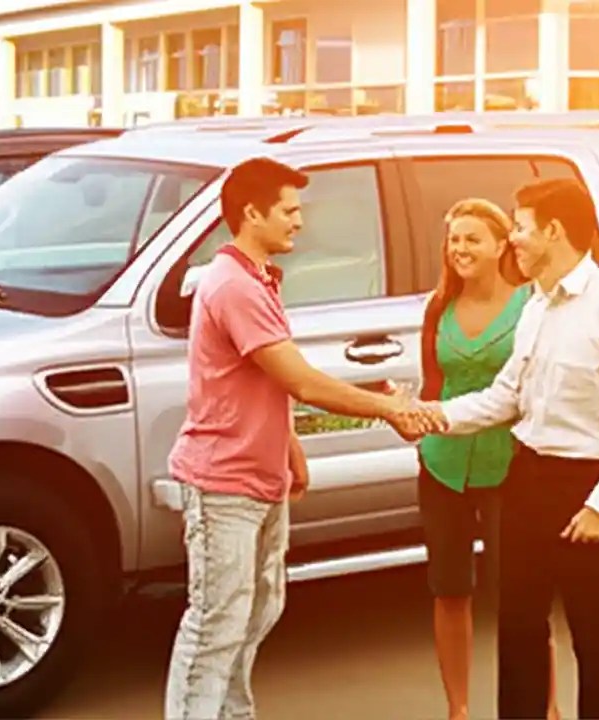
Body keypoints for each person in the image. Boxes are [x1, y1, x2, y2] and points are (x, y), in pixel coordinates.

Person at [164, 156, 439, 720]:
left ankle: (233, 714)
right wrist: (390, 408)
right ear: (251, 213)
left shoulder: (257, 279)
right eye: (289, 211)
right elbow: (299, 379)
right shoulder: (234, 286)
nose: (299, 222)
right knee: (217, 619)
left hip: (259, 478)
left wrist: (290, 451)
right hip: (224, 484)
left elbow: (268, 383)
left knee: (258, 609)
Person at [416, 177, 599, 719]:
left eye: (520, 228)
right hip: (525, 477)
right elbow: (507, 397)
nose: (514, 240)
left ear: (553, 230)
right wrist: (435, 416)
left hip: (586, 485)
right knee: (518, 626)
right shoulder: (537, 306)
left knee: (593, 633)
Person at [415, 198, 559, 720]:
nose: (460, 249)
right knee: (451, 591)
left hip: (510, 468)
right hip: (443, 467)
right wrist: (408, 408)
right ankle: (458, 708)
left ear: (502, 245)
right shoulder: (439, 306)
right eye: (454, 240)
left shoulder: (532, 307)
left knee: (521, 597)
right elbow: (433, 385)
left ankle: (545, 707)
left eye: (472, 239)